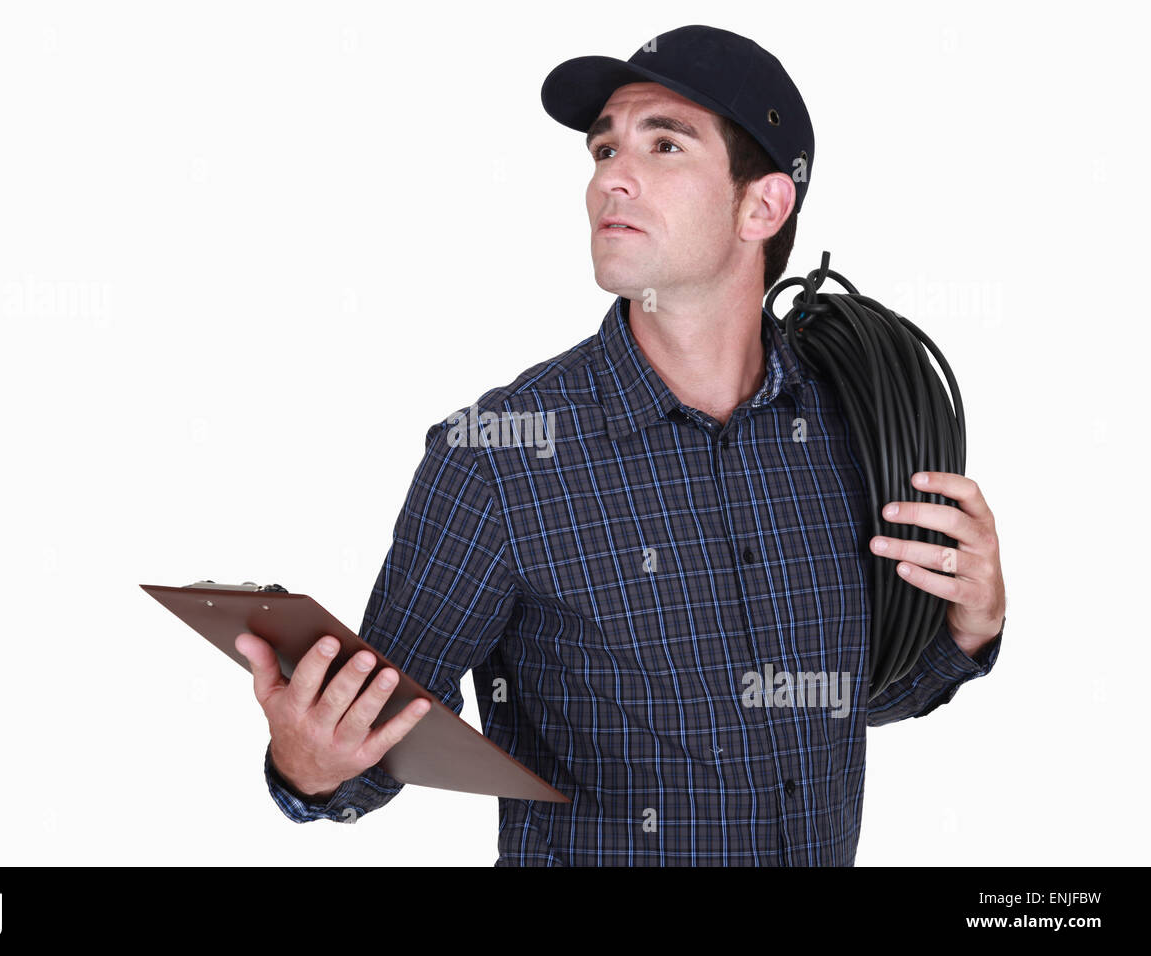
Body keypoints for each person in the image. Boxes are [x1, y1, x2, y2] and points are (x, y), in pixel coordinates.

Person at [235, 24, 1007, 866]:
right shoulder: (498, 459)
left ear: (764, 205)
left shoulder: (852, 431)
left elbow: (853, 704)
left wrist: (967, 632)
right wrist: (306, 769)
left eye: (663, 144)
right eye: (603, 150)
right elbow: (376, 740)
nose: (612, 178)